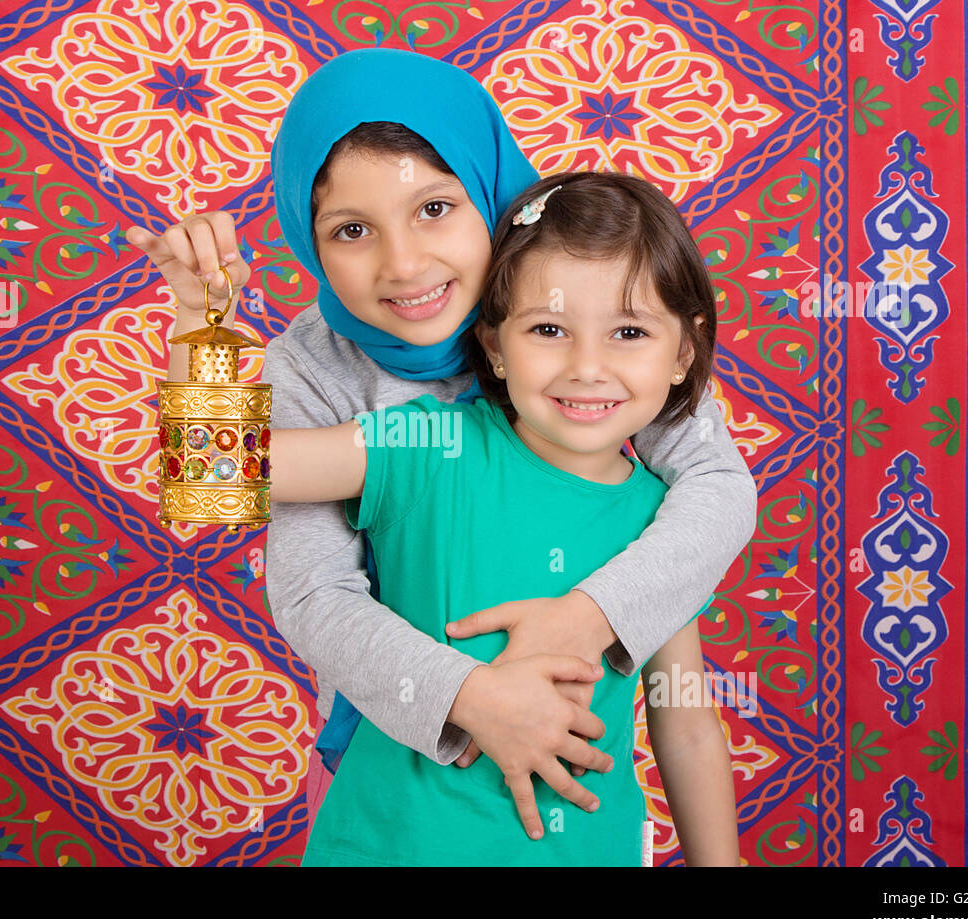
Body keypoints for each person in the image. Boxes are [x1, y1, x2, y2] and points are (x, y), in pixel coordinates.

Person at [126, 49, 756, 836]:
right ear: (307, 240)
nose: (405, 263)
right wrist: (200, 318)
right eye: (352, 230)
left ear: (488, 193)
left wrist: (589, 616)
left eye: (434, 209)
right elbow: (236, 504)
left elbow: (719, 492)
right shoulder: (336, 387)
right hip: (394, 773)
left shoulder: (590, 325)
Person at [268, 170, 740, 865]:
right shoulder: (426, 444)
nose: (587, 367)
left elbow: (687, 724)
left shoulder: (664, 522)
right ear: (492, 344)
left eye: (629, 332)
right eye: (549, 329)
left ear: (684, 352)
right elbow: (211, 472)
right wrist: (197, 319)